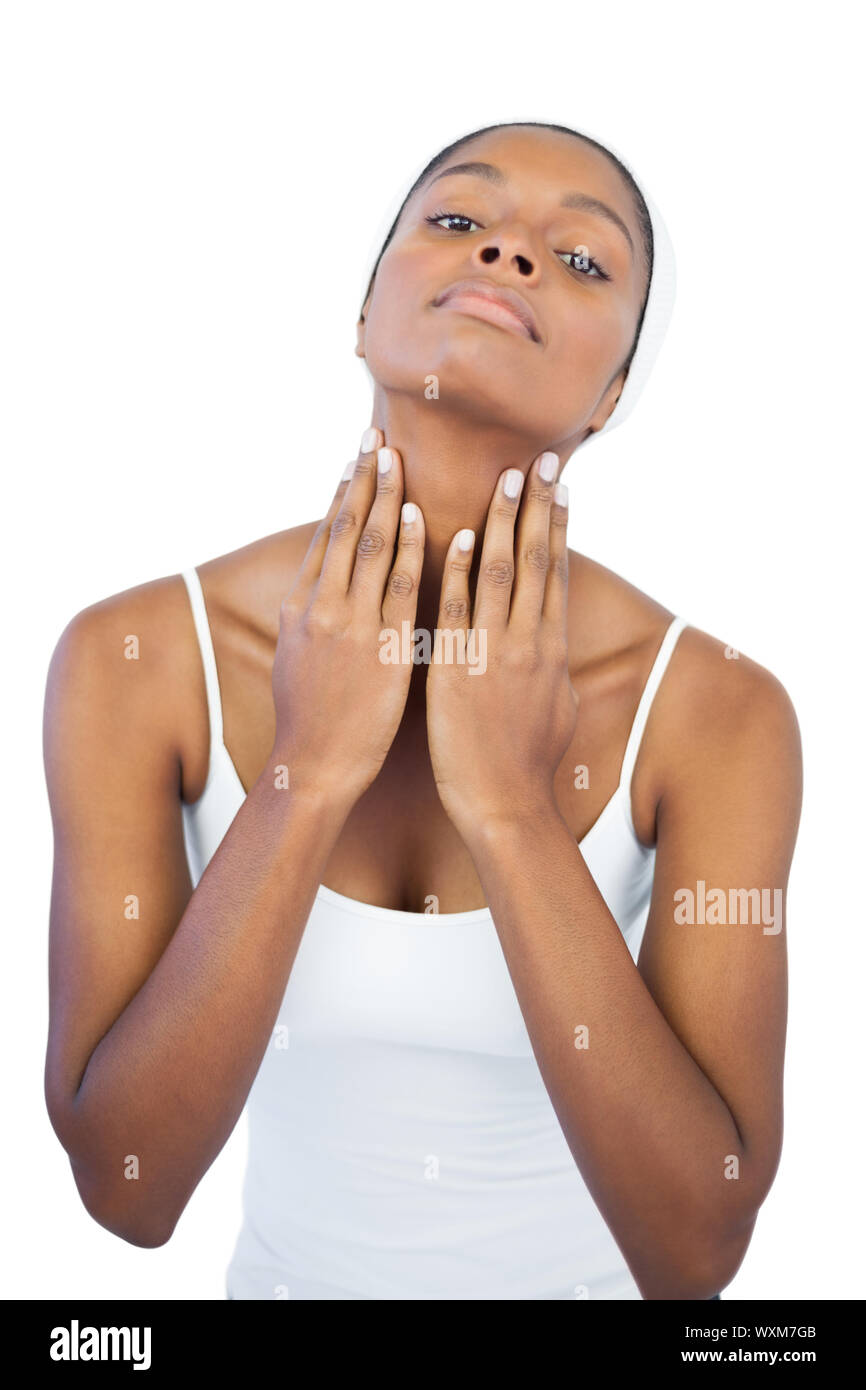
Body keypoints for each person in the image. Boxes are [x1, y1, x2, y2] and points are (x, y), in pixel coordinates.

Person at [42, 121, 802, 1300]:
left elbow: (695, 1253)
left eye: (582, 258)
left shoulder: (718, 713)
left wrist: (509, 809)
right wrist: (304, 770)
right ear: (360, 318)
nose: (506, 251)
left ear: (609, 397)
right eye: (458, 219)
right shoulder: (133, 659)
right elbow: (125, 1191)